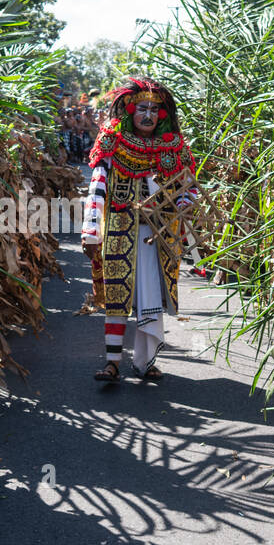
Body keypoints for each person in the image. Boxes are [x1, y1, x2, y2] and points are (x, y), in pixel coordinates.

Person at [82, 77, 198, 381]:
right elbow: (97, 186)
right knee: (117, 294)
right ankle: (112, 362)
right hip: (119, 227)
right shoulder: (112, 142)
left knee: (150, 297)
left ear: (162, 116)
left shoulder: (173, 148)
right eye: (141, 108)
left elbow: (189, 186)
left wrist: (186, 201)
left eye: (153, 109)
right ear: (130, 111)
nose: (147, 115)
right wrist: (91, 228)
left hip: (155, 234)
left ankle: (146, 362)